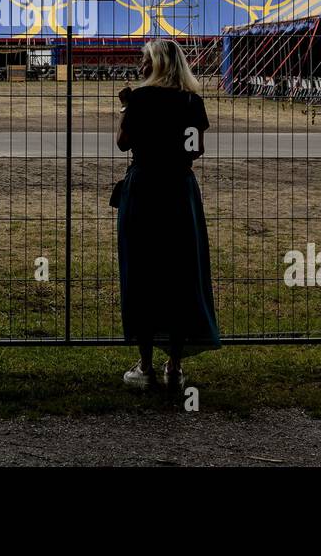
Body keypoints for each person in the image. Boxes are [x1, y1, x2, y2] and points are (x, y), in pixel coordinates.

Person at [114, 38, 221, 398]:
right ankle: (174, 366)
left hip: (144, 189)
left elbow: (123, 143)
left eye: (144, 60)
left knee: (141, 270)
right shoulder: (192, 102)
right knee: (180, 271)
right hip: (179, 190)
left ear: (157, 64)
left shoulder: (139, 99)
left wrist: (128, 108)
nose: (140, 66)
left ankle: (144, 366)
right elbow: (196, 149)